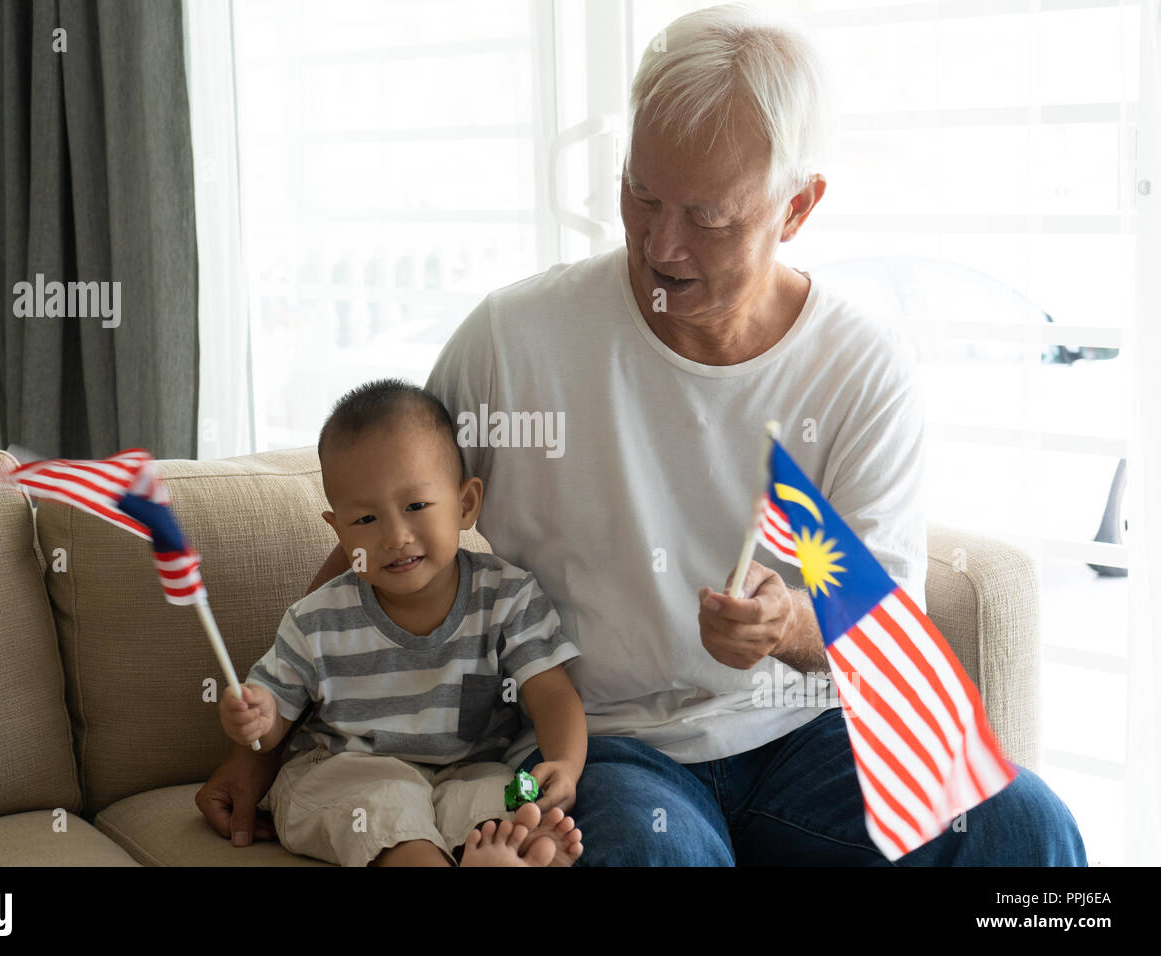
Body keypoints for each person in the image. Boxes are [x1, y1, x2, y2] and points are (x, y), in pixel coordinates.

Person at [198, 3, 1086, 866]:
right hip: (611, 746)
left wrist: (787, 625)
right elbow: (386, 521)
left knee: (1025, 831)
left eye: (708, 217)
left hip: (804, 734)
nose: (660, 244)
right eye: (640, 193)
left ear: (798, 207)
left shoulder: (859, 365)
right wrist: (260, 749)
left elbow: (881, 623)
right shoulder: (516, 340)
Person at [218, 379, 586, 866]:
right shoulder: (316, 621)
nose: (394, 536)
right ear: (338, 530)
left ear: (466, 505)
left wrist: (563, 764)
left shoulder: (508, 597)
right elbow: (271, 722)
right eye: (366, 520)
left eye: (416, 506)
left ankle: (501, 849)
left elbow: (552, 694)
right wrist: (255, 719)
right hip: (344, 771)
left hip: (468, 771)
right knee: (386, 806)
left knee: (504, 798)